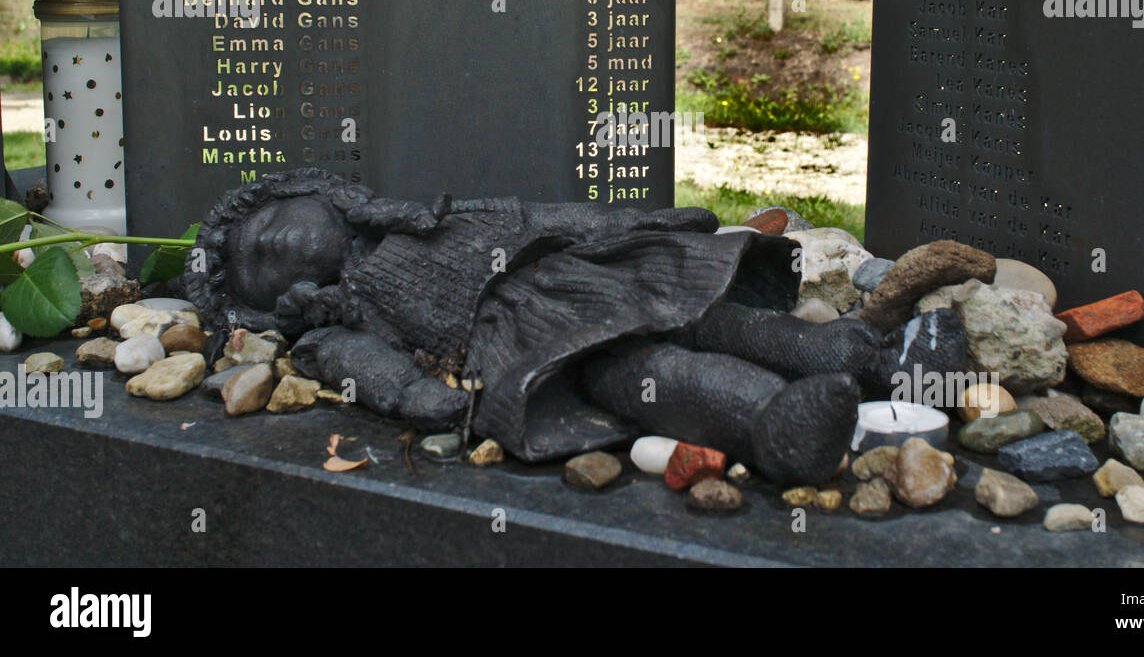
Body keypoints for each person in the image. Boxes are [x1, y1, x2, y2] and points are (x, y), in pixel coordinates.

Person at [185, 169, 899, 484]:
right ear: (269, 301)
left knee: (707, 316)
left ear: (325, 199)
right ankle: (769, 425)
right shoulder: (328, 324)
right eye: (254, 260)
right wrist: (416, 396)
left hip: (571, 272)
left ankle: (847, 350)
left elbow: (544, 219)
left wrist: (636, 222)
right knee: (638, 375)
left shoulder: (434, 214)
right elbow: (366, 368)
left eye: (271, 222)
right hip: (515, 343)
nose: (270, 244)